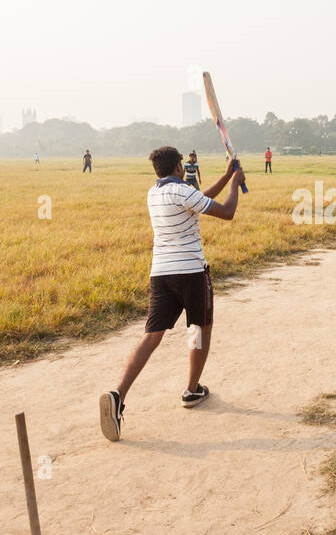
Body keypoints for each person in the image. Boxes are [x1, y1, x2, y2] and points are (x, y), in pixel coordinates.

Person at [99, 146, 246, 440]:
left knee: (152, 335)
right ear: (180, 166)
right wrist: (234, 184)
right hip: (191, 272)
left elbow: (199, 199)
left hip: (160, 274)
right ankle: (192, 391)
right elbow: (227, 212)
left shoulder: (155, 193)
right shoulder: (183, 192)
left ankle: (118, 394)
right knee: (200, 327)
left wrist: (226, 173)